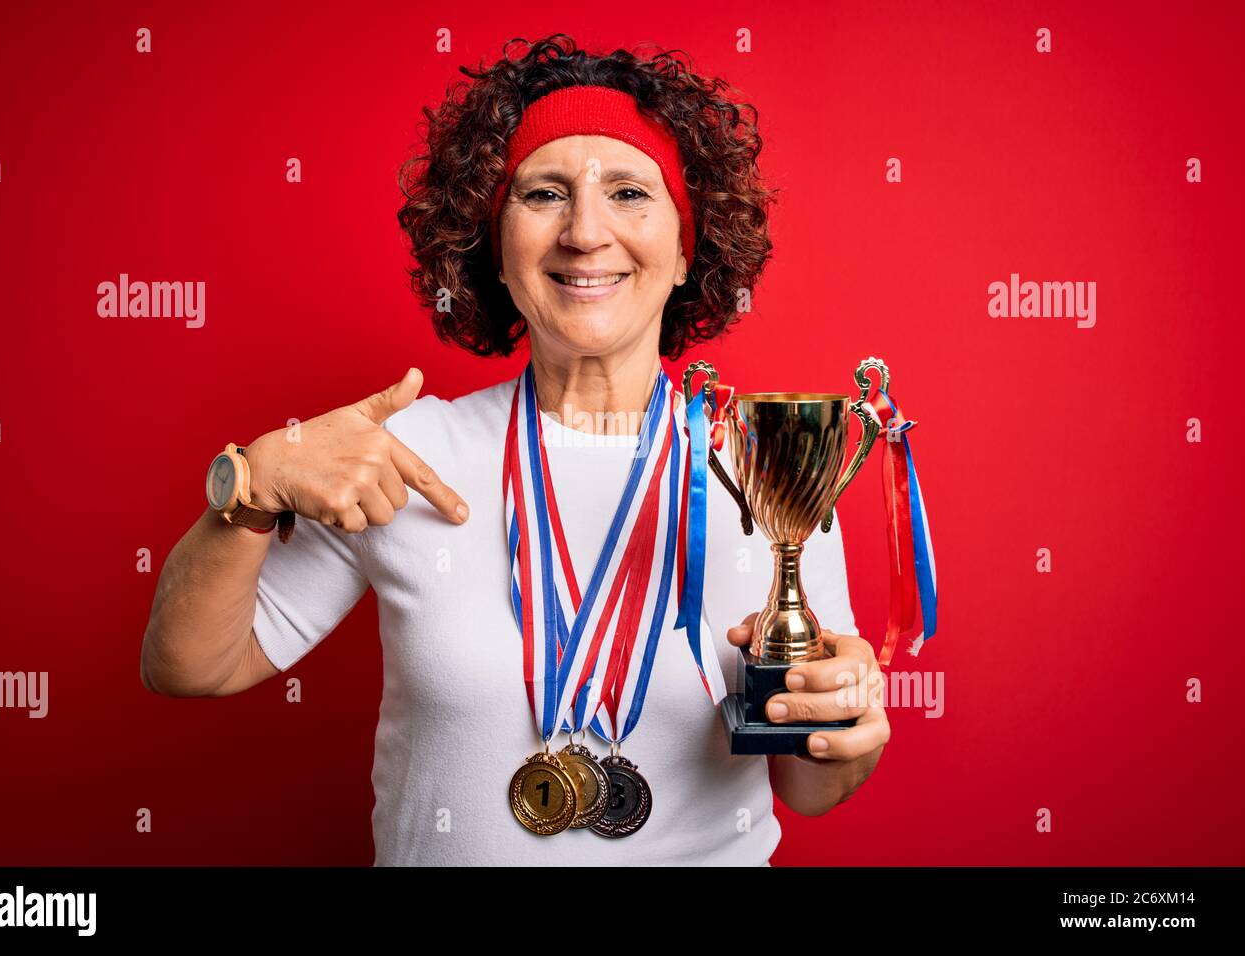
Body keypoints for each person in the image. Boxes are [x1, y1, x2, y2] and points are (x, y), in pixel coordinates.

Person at [140, 33, 889, 866]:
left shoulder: (768, 468)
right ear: (494, 245)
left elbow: (809, 789)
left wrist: (843, 727)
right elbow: (190, 666)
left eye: (630, 192)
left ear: (687, 251)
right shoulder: (403, 454)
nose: (585, 232)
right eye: (543, 193)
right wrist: (253, 483)